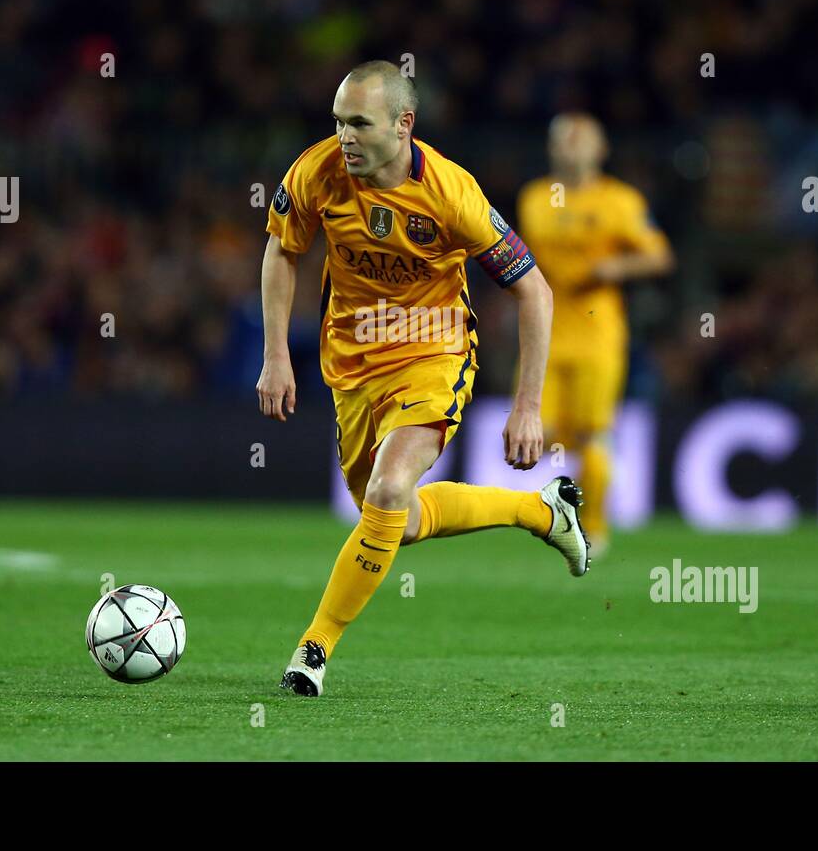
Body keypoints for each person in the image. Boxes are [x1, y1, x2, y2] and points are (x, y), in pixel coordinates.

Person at [257, 61, 590, 697]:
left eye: (358, 123)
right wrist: (277, 355)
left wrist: (527, 405)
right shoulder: (315, 172)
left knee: (386, 489)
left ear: (404, 124)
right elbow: (282, 250)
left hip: (432, 354)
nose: (344, 137)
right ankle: (541, 512)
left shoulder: (451, 194)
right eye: (337, 122)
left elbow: (534, 291)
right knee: (395, 521)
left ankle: (313, 650)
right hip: (351, 364)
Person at [517, 114, 674, 553]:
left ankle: (595, 529)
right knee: (539, 433)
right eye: (561, 138)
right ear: (551, 149)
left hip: (598, 334)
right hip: (544, 335)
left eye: (579, 138)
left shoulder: (620, 201)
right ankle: (564, 501)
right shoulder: (534, 199)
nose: (570, 145)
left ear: (601, 149)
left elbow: (659, 256)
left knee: (594, 434)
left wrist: (617, 267)